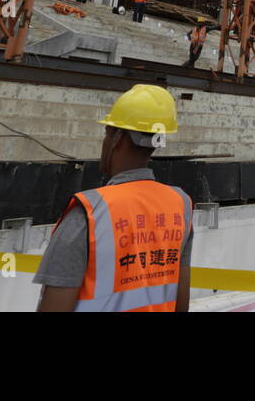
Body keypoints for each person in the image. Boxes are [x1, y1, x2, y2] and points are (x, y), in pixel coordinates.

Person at [34, 84, 193, 312]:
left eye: (107, 132)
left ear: (116, 137)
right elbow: (181, 304)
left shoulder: (88, 213)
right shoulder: (180, 205)